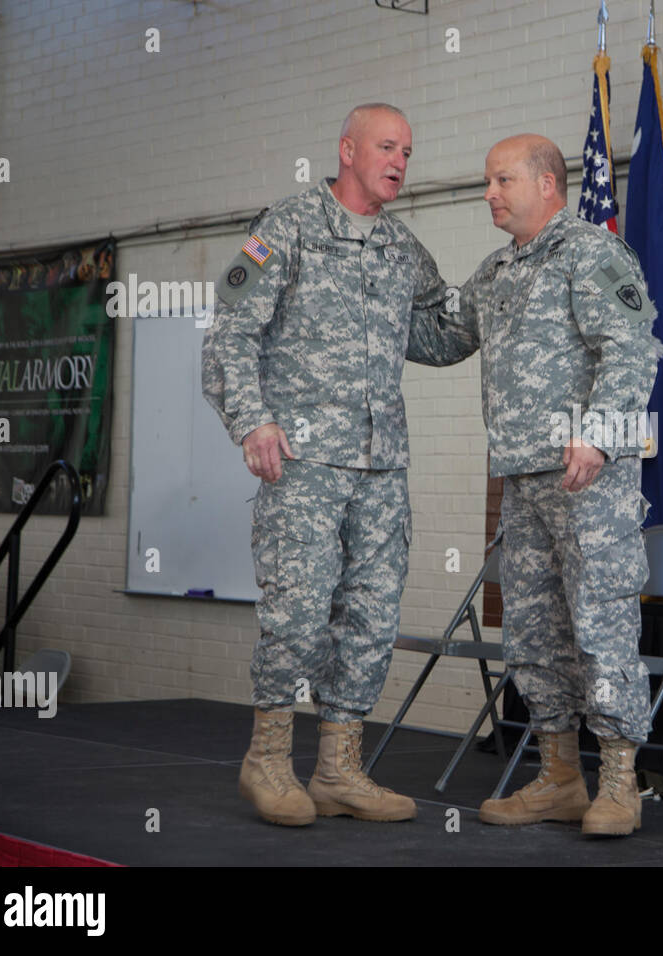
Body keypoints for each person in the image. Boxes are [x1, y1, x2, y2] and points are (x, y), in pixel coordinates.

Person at [202, 103, 463, 827]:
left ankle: (340, 769)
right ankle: (268, 760)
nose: (400, 162)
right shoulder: (285, 227)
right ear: (346, 150)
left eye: (408, 150)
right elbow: (230, 329)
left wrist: (514, 286)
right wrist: (252, 421)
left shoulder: (404, 248)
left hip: (382, 469)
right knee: (299, 614)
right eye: (387, 146)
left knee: (374, 618)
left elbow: (439, 332)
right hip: (306, 466)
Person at [412, 134, 663, 836]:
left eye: (501, 180)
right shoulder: (497, 272)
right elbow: (440, 339)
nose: (488, 193)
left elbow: (632, 343)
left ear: (548, 183)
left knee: (600, 621)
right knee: (532, 629)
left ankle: (620, 780)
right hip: (521, 479)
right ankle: (559, 776)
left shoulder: (591, 252)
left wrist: (601, 432)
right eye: (487, 181)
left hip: (588, 477)